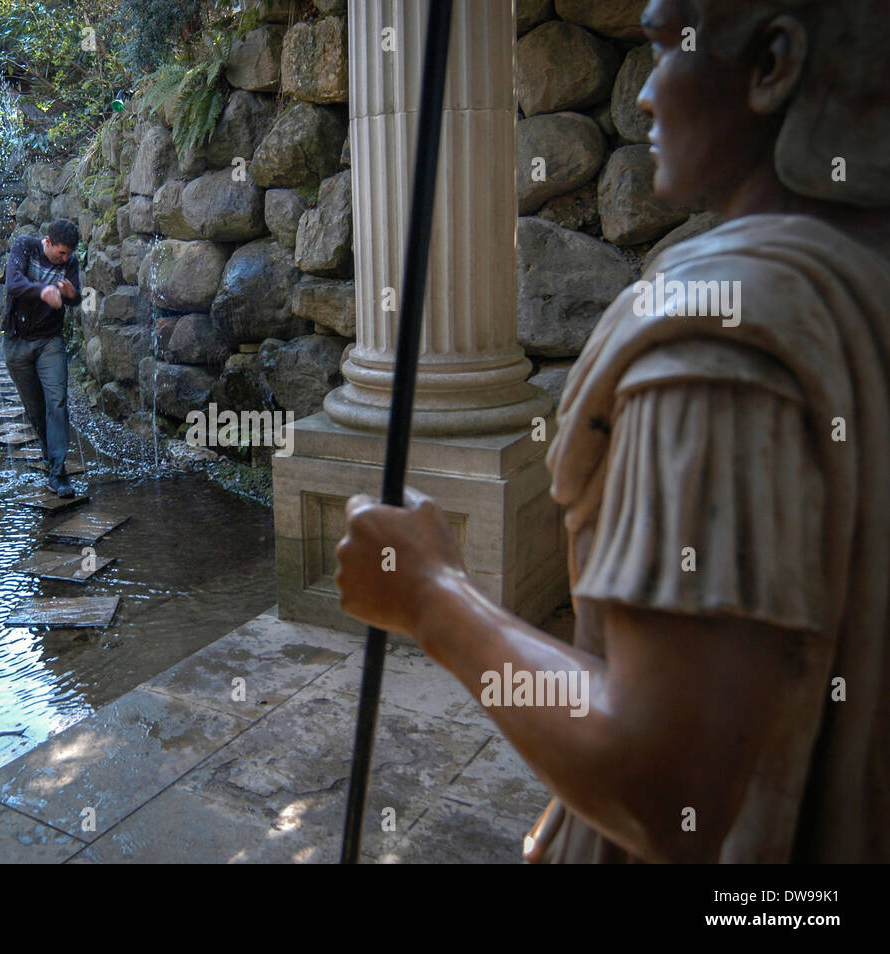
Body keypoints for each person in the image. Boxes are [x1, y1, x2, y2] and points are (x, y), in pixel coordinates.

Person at [334, 0, 890, 863]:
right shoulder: (863, 285)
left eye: (668, 47)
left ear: (773, 65)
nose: (643, 100)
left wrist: (434, 597)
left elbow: (659, 784)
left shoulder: (717, 343)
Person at [3, 219, 82, 497]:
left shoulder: (70, 261)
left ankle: (59, 473)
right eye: (60, 253)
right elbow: (13, 283)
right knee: (35, 408)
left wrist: (73, 296)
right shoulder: (24, 246)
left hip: (50, 339)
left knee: (57, 400)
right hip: (17, 341)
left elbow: (74, 298)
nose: (64, 259)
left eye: (67, 255)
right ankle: (51, 459)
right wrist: (42, 291)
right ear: (47, 242)